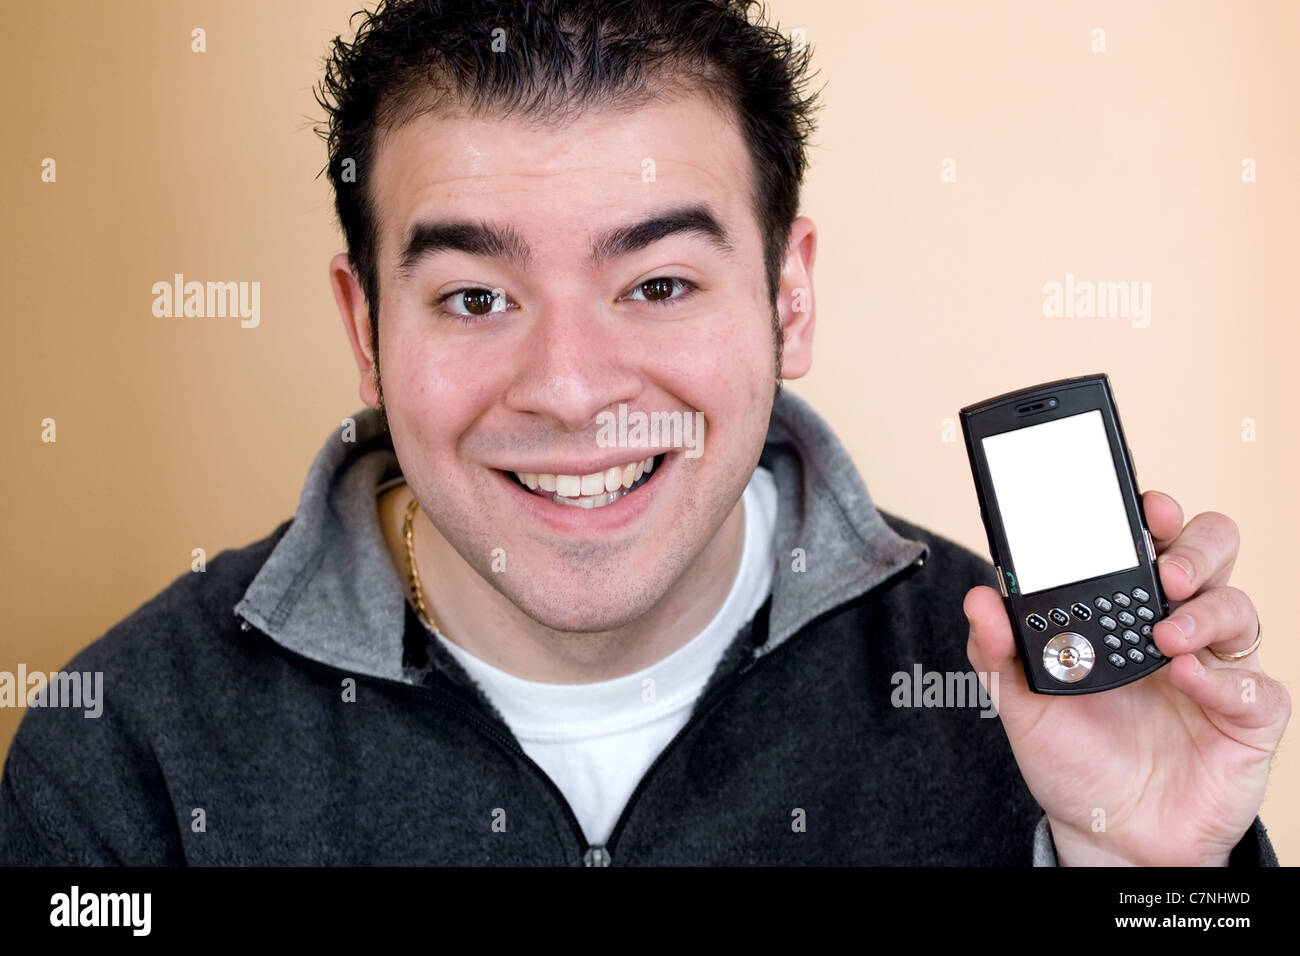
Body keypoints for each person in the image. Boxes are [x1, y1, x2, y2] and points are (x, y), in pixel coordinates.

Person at [0, 0, 1286, 866]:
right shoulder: (127, 746)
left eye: (658, 283)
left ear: (789, 297)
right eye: (474, 296)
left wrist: (1145, 873)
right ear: (366, 330)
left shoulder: (1027, 695)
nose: (566, 387)